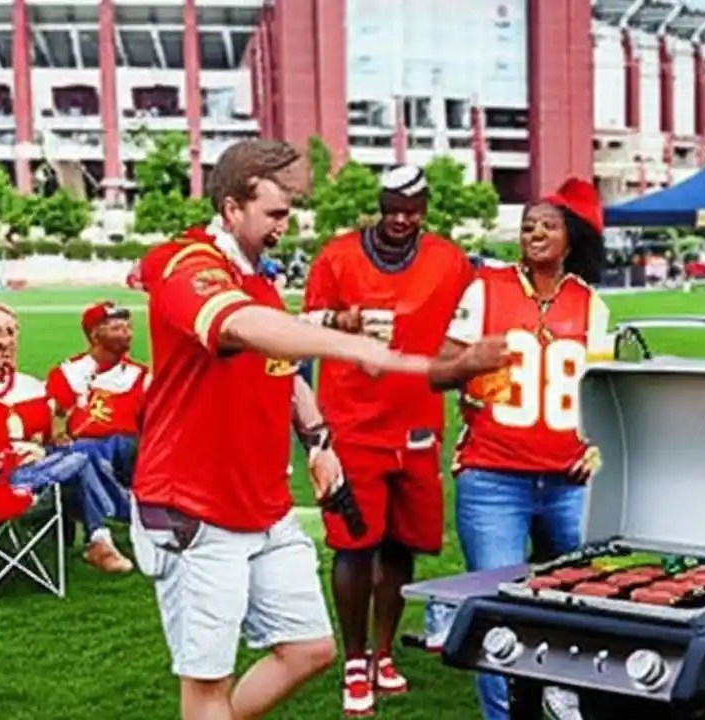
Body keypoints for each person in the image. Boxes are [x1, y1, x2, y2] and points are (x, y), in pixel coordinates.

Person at [127, 139, 506, 720]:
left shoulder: (257, 274)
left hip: (261, 503)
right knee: (204, 687)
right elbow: (250, 329)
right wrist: (374, 352)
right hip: (192, 509)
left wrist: (318, 441)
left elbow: (279, 369)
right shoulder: (187, 264)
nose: (287, 224)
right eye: (276, 212)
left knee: (309, 648)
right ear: (232, 208)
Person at [301, 164, 480, 716]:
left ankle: (383, 651)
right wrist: (341, 320)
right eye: (393, 209)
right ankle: (355, 661)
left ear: (426, 209)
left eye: (413, 210)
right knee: (354, 543)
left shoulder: (449, 260)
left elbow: (472, 322)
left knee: (403, 542)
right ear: (378, 207)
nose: (402, 219)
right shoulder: (336, 255)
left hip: (418, 420)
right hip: (351, 420)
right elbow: (302, 327)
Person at [435, 177, 611, 720]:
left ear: (571, 238)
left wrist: (600, 446)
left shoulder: (591, 305)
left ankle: (565, 691)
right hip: (494, 478)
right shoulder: (485, 288)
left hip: (568, 481)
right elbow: (439, 370)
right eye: (527, 225)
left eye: (547, 225)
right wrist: (470, 364)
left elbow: (605, 398)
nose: (534, 232)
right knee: (496, 610)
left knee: (581, 602)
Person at [0, 305, 132, 573]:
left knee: (81, 454)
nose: (8, 341)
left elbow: (54, 438)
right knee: (82, 459)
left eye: (12, 332)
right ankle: (123, 520)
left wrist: (40, 449)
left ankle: (103, 535)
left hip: (38, 477)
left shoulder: (31, 386)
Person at [45, 301, 148, 571]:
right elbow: (55, 419)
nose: (127, 333)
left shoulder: (139, 375)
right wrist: (58, 434)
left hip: (126, 450)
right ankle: (106, 534)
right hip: (79, 451)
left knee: (88, 453)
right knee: (83, 454)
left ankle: (104, 529)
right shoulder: (68, 373)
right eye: (116, 328)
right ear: (95, 335)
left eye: (128, 327)